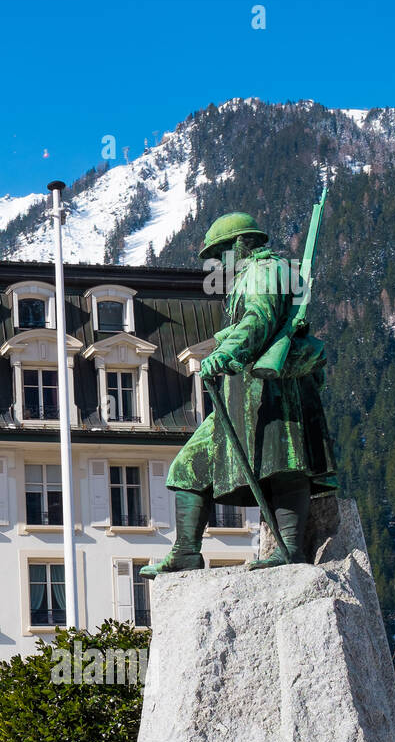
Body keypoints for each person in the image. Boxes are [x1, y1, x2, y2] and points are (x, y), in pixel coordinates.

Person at [140, 212, 338, 577]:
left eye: (220, 253)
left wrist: (227, 354)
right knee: (188, 467)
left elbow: (258, 320)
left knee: (281, 462)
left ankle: (291, 548)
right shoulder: (251, 276)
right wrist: (221, 347)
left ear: (241, 244)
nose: (218, 263)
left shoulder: (266, 271)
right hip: (241, 388)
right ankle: (186, 551)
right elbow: (242, 324)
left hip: (271, 384)